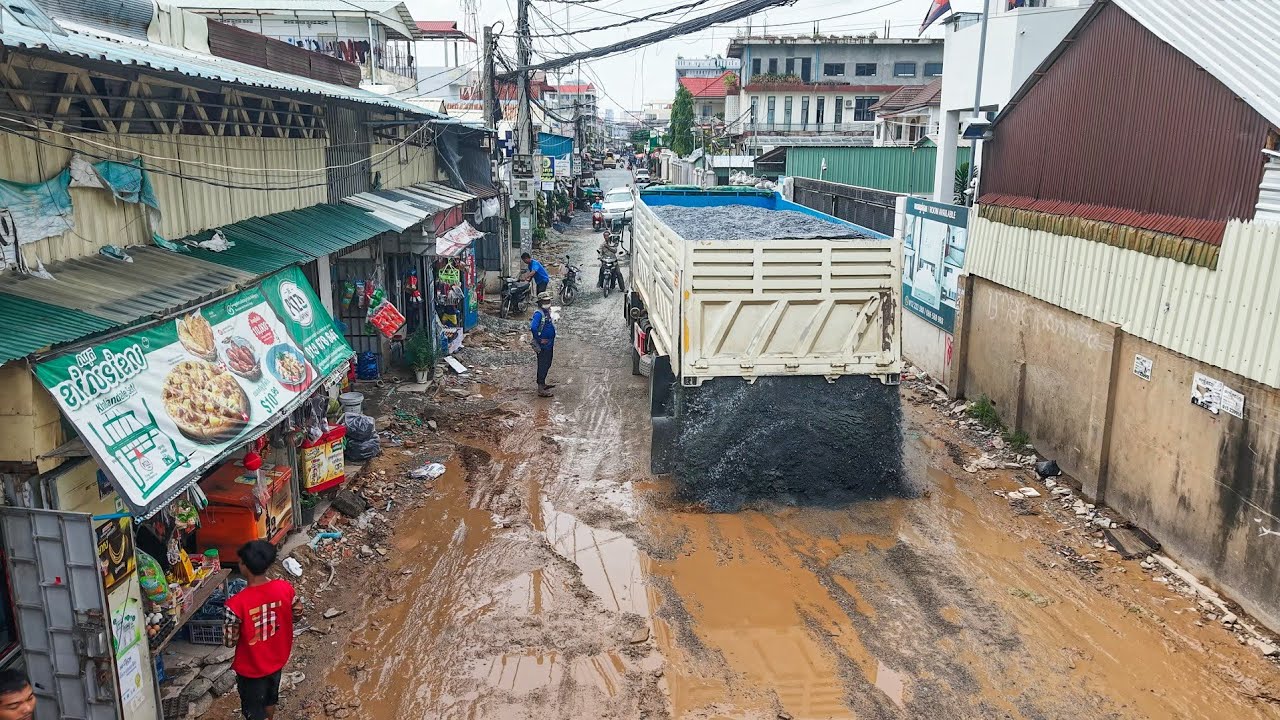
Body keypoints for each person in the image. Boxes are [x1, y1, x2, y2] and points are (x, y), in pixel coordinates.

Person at [224, 540, 303, 720]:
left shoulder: (235, 605)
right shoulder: (285, 588)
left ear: (244, 565)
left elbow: (230, 642)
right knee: (270, 698)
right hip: (277, 659)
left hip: (251, 669)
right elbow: (297, 612)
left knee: (253, 710)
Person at [530, 292, 556, 397]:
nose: (547, 303)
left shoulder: (546, 312)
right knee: (543, 364)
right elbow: (533, 327)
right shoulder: (538, 314)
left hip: (549, 344)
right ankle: (540, 387)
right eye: (545, 301)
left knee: (548, 363)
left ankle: (543, 383)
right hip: (543, 345)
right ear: (540, 303)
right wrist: (539, 340)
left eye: (548, 301)